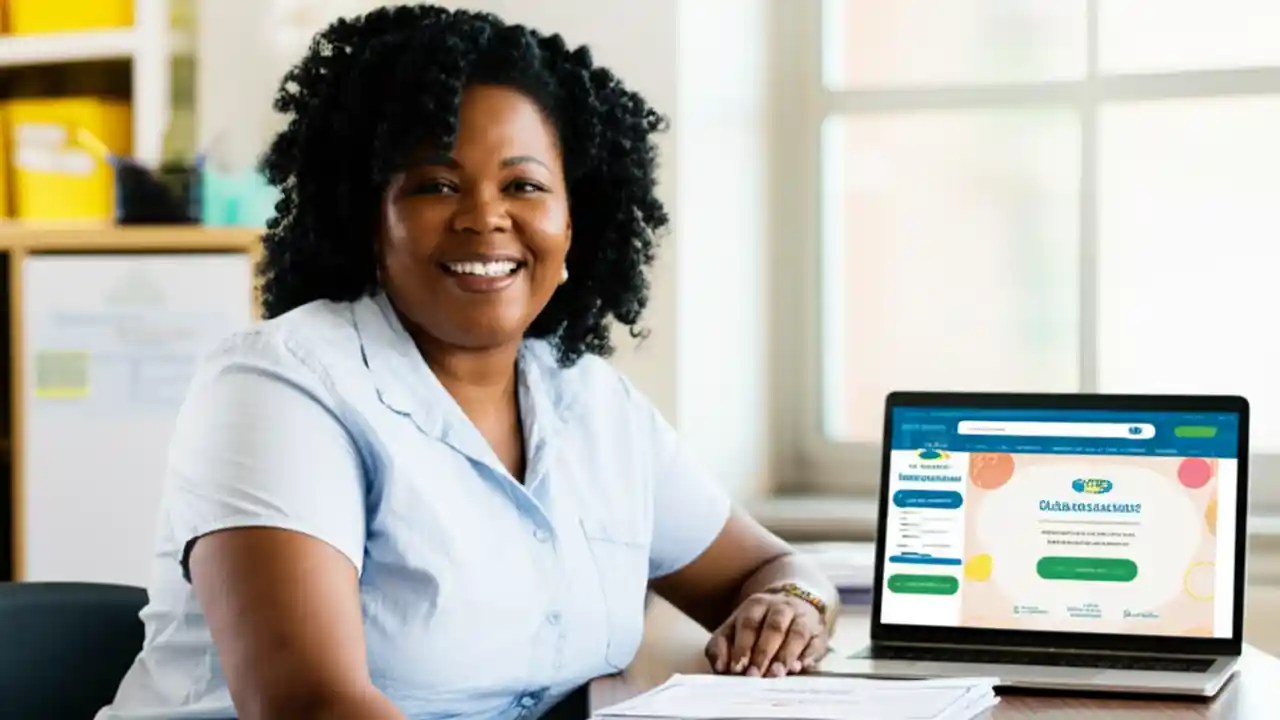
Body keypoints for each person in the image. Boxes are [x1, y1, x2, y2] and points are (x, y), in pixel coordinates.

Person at [99, 5, 838, 719]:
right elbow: (313, 706)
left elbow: (769, 569)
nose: (485, 216)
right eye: (437, 185)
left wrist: (792, 606)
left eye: (524, 186)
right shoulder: (280, 387)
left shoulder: (589, 401)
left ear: (574, 221)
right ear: (369, 216)